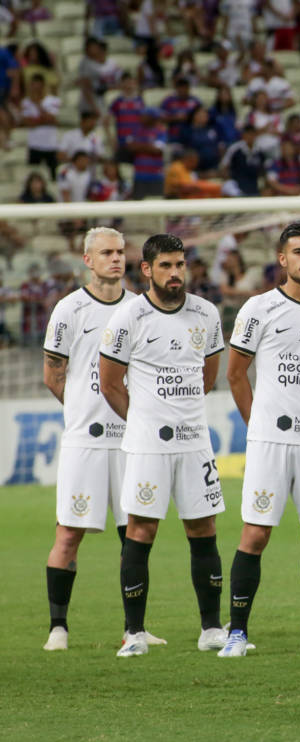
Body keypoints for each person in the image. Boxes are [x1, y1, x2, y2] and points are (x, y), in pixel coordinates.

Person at [218, 223, 300, 658]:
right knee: (255, 534)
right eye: (299, 251)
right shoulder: (258, 309)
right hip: (270, 441)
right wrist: (258, 426)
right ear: (283, 259)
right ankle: (236, 631)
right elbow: (236, 373)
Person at [98, 234, 227, 657]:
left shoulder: (206, 314)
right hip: (147, 446)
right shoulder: (128, 318)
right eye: (166, 266)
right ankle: (134, 633)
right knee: (141, 529)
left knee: (203, 529)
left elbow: (208, 376)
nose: (175, 273)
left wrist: (182, 413)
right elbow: (110, 383)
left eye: (180, 264)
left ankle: (211, 629)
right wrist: (143, 422)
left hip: (194, 444)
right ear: (147, 270)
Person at [41, 228, 158, 651]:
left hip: (132, 442)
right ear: (87, 260)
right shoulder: (69, 309)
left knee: (135, 535)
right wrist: (80, 411)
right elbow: (53, 373)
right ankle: (58, 627)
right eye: (106, 252)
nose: (115, 258)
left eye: (120, 252)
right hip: (84, 442)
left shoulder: (141, 309)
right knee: (69, 535)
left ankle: (135, 629)